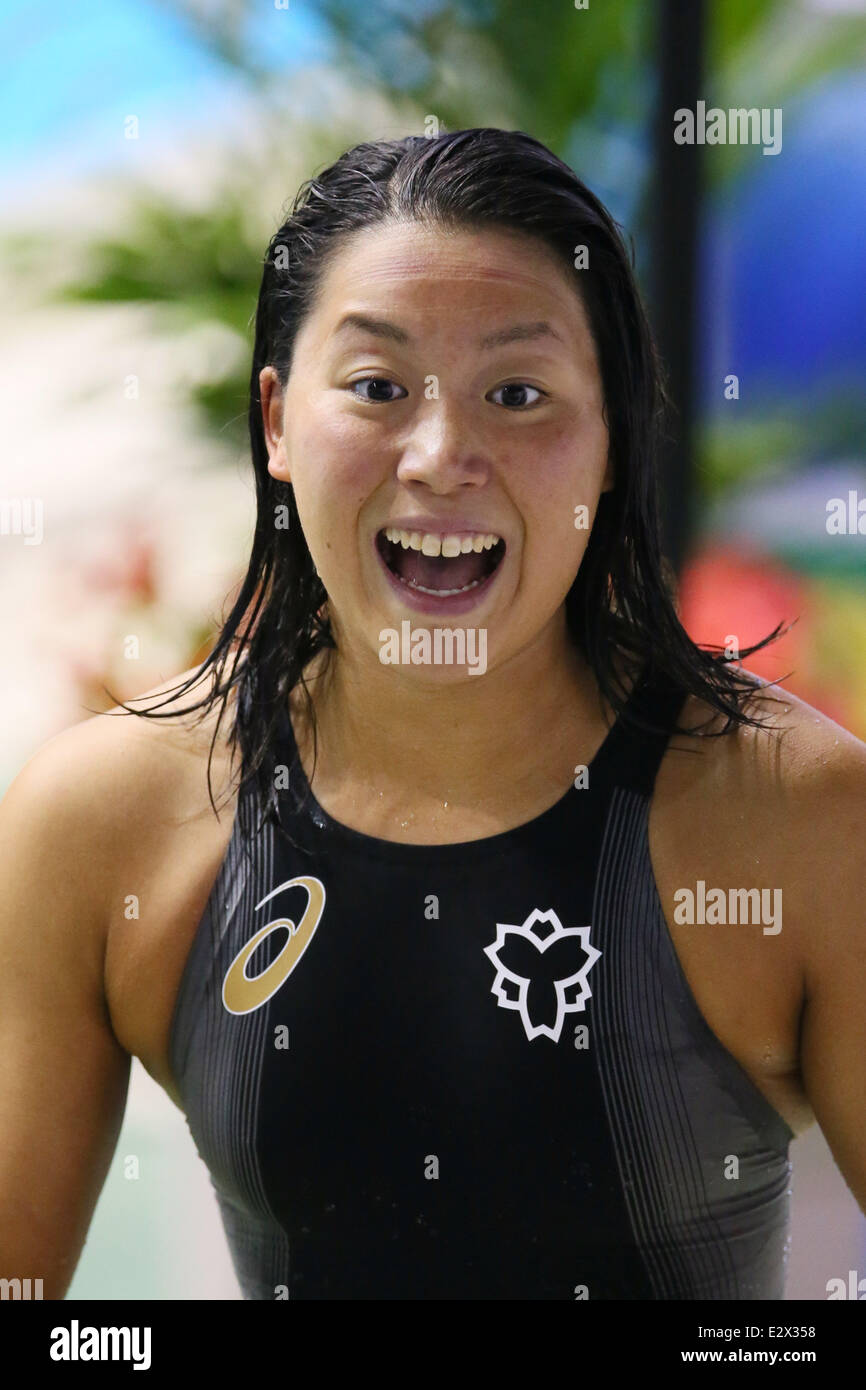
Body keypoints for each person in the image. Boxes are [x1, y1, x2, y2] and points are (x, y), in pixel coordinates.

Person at [1, 128, 864, 1301]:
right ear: (274, 425)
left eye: (517, 392)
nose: (440, 454)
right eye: (375, 387)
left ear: (612, 437)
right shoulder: (108, 821)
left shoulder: (801, 822)